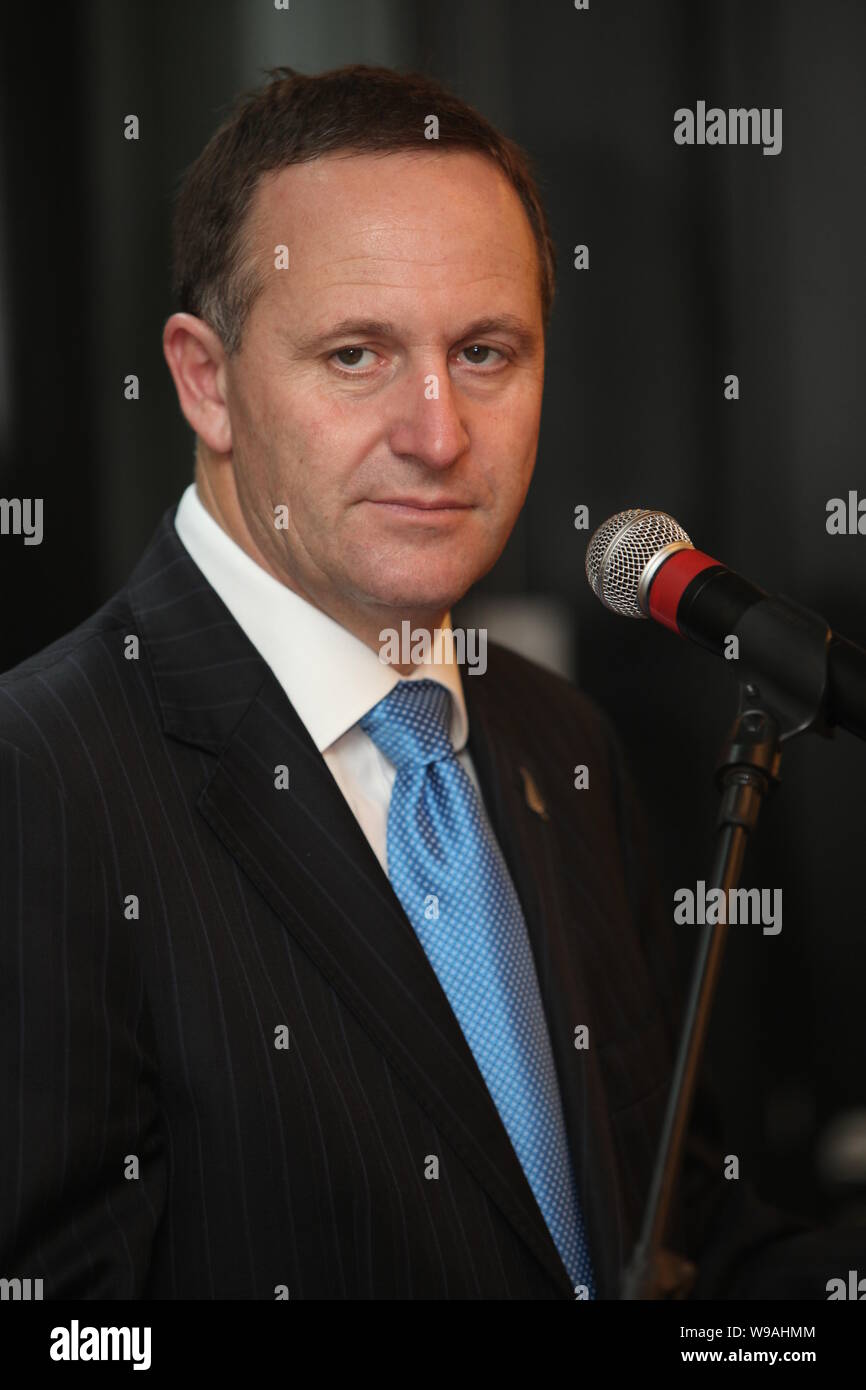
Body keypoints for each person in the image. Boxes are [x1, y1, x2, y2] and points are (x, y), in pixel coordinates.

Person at [0, 64, 849, 1300]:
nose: (438, 432)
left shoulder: (560, 740)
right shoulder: (39, 787)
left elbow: (670, 1239)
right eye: (356, 354)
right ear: (205, 380)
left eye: (486, 351)